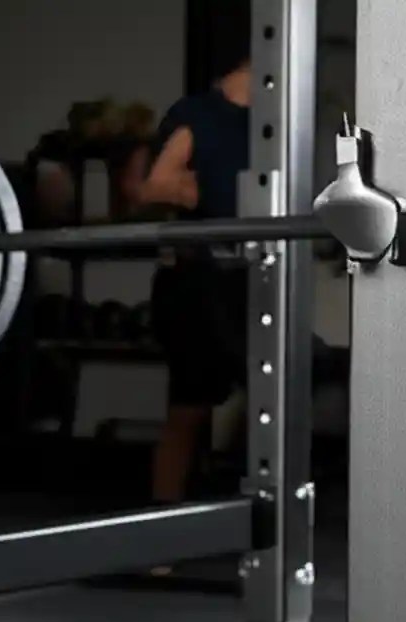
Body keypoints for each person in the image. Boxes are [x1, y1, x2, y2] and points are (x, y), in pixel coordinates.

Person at [140, 18, 252, 508]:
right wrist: (207, 193)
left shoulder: (279, 123)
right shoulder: (200, 114)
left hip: (248, 279)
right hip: (196, 284)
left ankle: (244, 515)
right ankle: (164, 537)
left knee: (280, 393)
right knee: (188, 412)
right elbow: (156, 185)